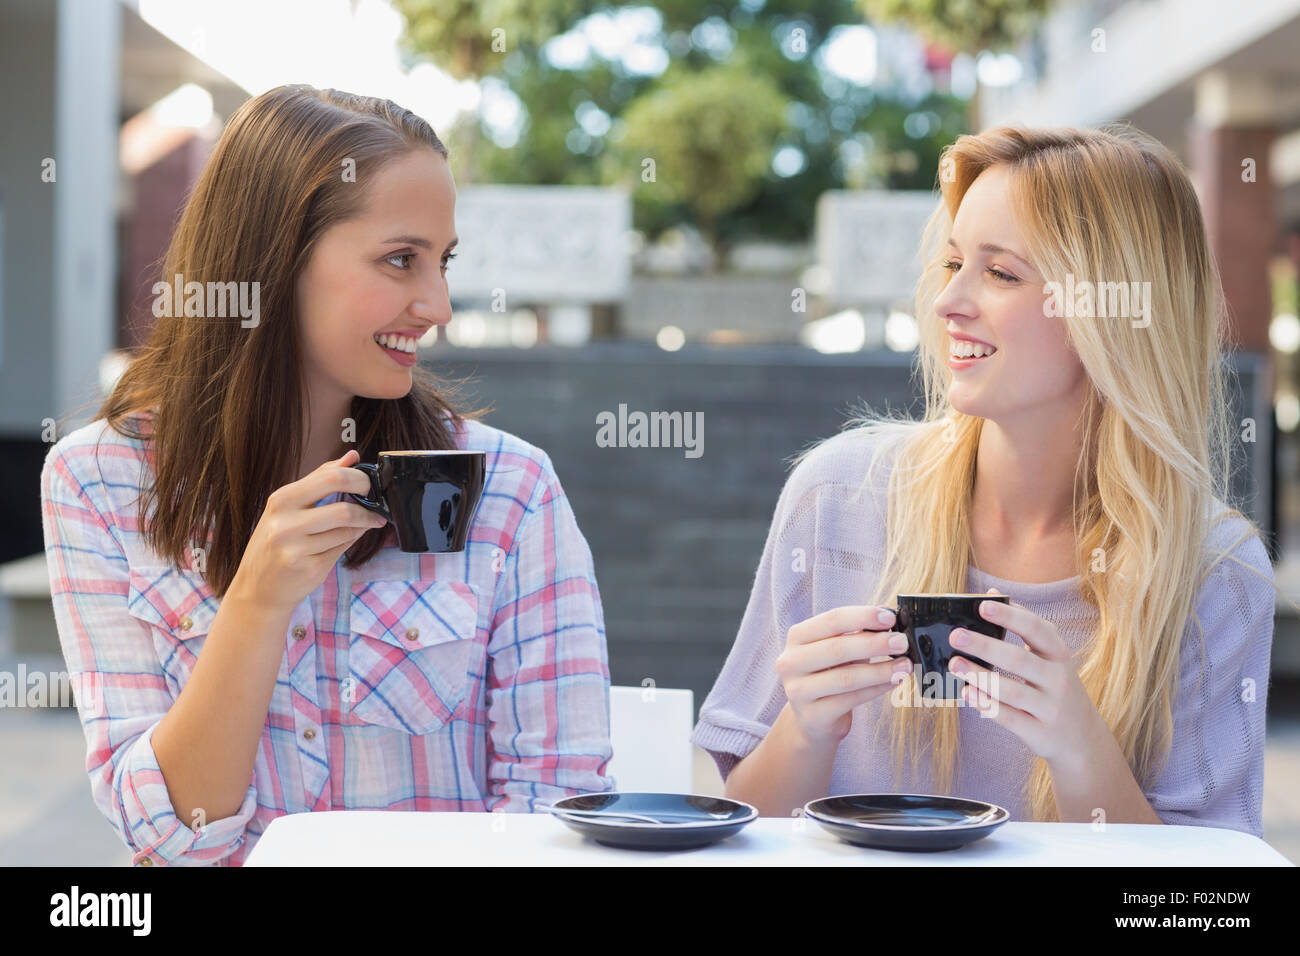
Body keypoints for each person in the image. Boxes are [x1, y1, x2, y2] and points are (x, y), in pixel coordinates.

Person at [40, 85, 614, 867]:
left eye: (442, 263)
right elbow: (169, 834)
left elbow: (554, 812)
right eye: (400, 260)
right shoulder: (98, 481)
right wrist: (256, 600)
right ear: (276, 257)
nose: (438, 304)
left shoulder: (510, 487)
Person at [692, 125, 1284, 837]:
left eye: (1001, 273)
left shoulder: (1215, 573)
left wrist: (1079, 749)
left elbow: (1198, 907)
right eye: (951, 264)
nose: (949, 303)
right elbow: (739, 835)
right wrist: (806, 731)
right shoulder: (837, 497)